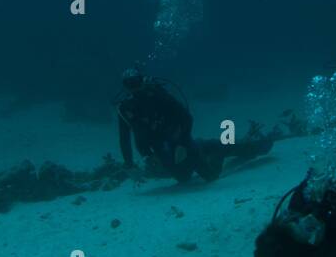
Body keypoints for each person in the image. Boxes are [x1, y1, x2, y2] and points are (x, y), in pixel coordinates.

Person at [115, 67, 271, 183]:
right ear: (125, 87)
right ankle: (203, 146)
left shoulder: (158, 96)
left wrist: (182, 143)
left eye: (136, 82)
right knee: (183, 177)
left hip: (178, 139)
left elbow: (186, 117)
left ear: (142, 81)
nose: (134, 87)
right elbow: (124, 139)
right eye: (129, 84)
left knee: (210, 175)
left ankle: (222, 148)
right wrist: (130, 165)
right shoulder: (125, 109)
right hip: (158, 149)